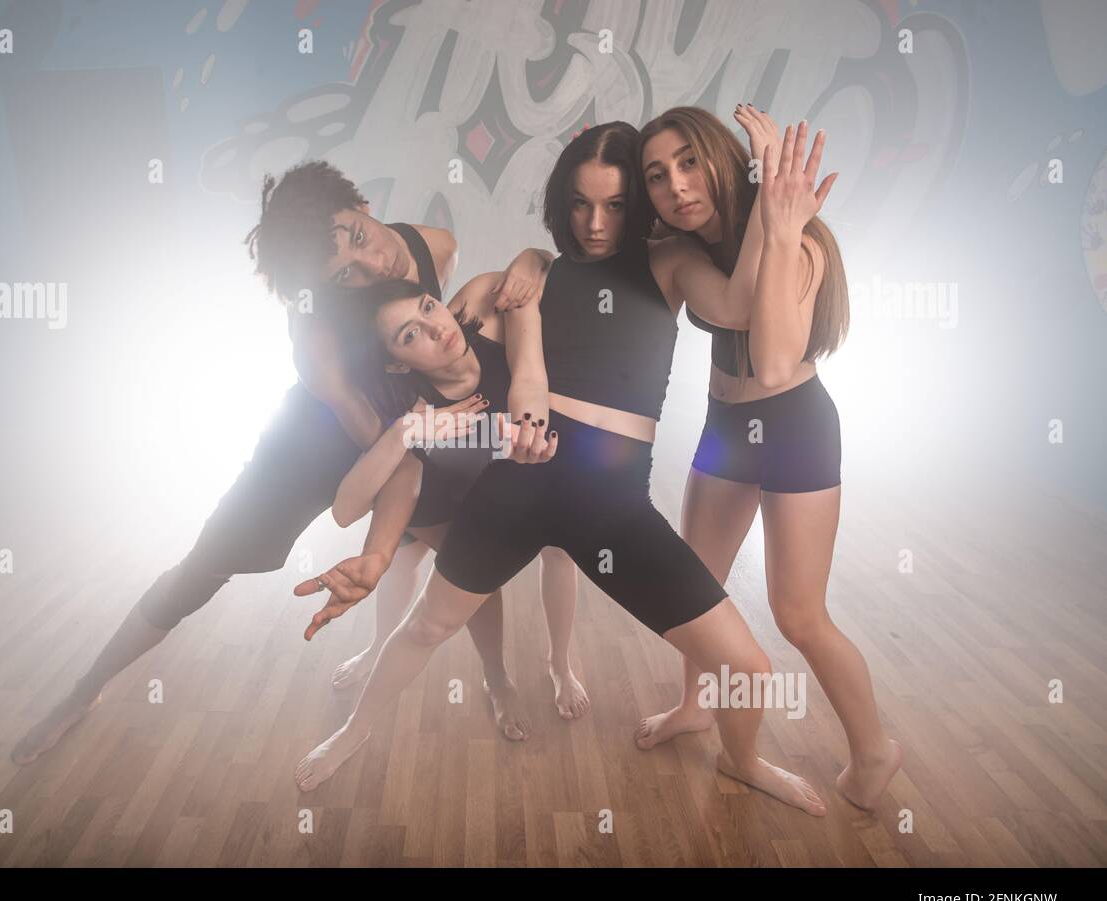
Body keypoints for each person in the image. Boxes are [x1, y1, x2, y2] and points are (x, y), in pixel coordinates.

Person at [293, 122, 830, 817]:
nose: (596, 223)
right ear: (561, 203)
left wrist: (770, 204)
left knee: (751, 668)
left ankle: (743, 756)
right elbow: (449, 345)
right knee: (427, 627)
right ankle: (354, 728)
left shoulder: (666, 264)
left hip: (613, 505)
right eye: (580, 204)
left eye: (612, 205)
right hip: (520, 483)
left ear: (637, 204)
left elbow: (735, 303)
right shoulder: (538, 274)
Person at [11, 161, 548, 764]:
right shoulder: (315, 338)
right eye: (344, 272)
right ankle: (83, 692)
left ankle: (497, 680)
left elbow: (434, 338)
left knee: (463, 560)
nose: (371, 267)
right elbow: (378, 445)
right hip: (316, 445)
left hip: (402, 425)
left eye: (359, 238)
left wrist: (531, 260)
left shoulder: (435, 247)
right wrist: (385, 525)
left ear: (364, 204)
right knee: (202, 569)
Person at [634, 106, 902, 809]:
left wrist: (781, 230)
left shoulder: (799, 237)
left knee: (798, 614)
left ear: (725, 160)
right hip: (726, 424)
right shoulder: (696, 248)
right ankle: (694, 703)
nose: (678, 186)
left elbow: (777, 364)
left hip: (795, 428)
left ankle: (875, 749)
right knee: (696, 584)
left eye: (689, 162)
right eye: (658, 175)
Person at [328, 270, 585, 726]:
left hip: (509, 477)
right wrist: (407, 431)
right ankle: (494, 678)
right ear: (398, 363)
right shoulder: (410, 403)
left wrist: (533, 257)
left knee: (561, 549)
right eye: (411, 336)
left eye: (429, 308)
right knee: (417, 566)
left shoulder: (494, 333)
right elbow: (346, 509)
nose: (435, 329)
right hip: (443, 492)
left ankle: (560, 665)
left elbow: (549, 271)